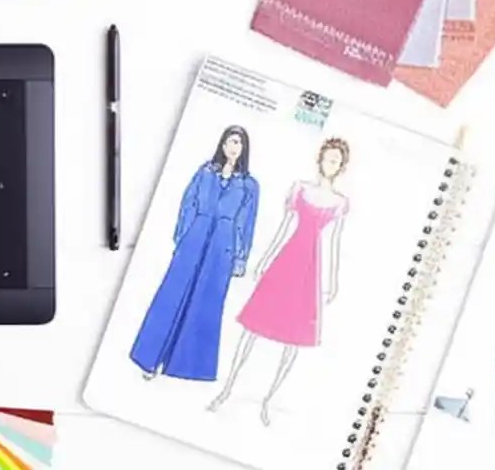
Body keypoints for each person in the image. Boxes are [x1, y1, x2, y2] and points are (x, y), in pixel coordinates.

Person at [209, 138, 352, 426]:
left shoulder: (340, 203)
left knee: (294, 340)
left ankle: (268, 400)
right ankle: (227, 390)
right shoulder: (300, 189)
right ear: (320, 159)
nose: (331, 164)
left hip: (310, 270)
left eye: (337, 161)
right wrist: (263, 259)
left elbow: (335, 243)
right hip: (286, 260)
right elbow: (284, 227)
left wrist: (333, 280)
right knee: (253, 327)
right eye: (328, 158)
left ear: (341, 167)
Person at [130, 126, 261, 382]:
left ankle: (186, 367)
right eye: (229, 141)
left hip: (222, 245)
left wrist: (240, 257)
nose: (233, 147)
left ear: (244, 149)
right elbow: (188, 203)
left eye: (238, 143)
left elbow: (247, 223)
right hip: (195, 236)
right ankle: (149, 359)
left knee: (206, 303)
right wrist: (182, 236)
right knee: (171, 296)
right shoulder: (205, 172)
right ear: (222, 145)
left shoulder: (249, 185)